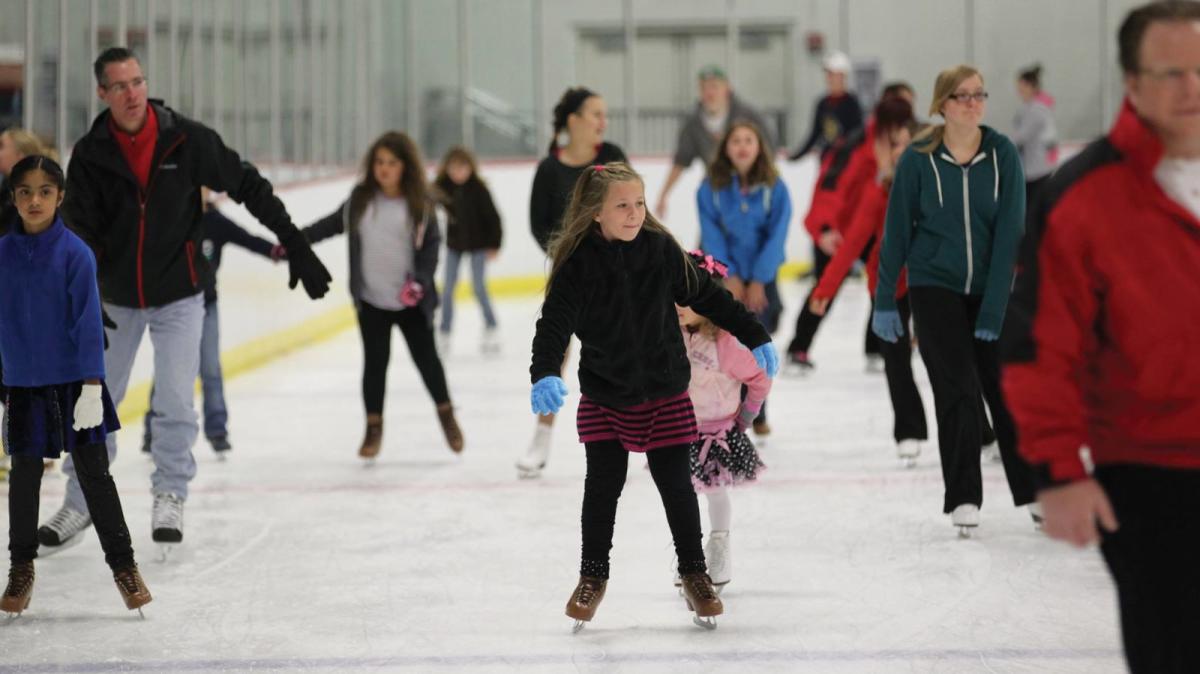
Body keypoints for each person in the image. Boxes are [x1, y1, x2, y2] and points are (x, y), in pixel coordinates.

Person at [38, 47, 332, 558]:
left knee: (174, 398)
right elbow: (78, 232)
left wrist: (297, 245)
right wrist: (81, 294)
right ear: (102, 94)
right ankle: (80, 500)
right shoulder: (90, 154)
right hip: (114, 300)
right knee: (92, 401)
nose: (132, 94)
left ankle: (170, 491)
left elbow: (249, 186)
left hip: (179, 295)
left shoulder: (185, 139)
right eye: (120, 86)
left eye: (138, 81)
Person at [1001, 3, 1200, 671]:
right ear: (1133, 84)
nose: (1192, 88)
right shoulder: (1086, 196)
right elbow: (1038, 348)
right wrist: (1055, 473)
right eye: (1172, 72)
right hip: (1152, 480)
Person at [529, 161, 778, 631]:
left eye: (639, 203)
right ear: (595, 213)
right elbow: (554, 323)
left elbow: (709, 297)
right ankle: (592, 577)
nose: (634, 212)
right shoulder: (578, 264)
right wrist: (544, 371)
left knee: (676, 489)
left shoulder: (660, 250)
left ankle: (694, 574)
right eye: (622, 205)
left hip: (665, 391)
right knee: (602, 489)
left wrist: (755, 334)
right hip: (605, 394)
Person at [872, 65, 1036, 536]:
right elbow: (897, 232)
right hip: (934, 285)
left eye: (979, 94)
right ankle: (964, 495)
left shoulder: (1002, 153)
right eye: (962, 96)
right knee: (958, 389)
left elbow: (1010, 234)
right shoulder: (919, 158)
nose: (972, 102)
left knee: (1007, 391)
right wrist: (886, 299)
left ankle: (1035, 488)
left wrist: (995, 306)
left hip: (990, 288)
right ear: (942, 104)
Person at [0, 155, 151, 616]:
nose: (35, 200)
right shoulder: (2, 254)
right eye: (25, 191)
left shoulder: (75, 254)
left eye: (45, 191)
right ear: (13, 198)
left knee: (95, 477)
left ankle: (124, 566)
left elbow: (88, 324)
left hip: (74, 386)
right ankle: (21, 567)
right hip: (24, 386)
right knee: (24, 479)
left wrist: (92, 384)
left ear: (60, 197)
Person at [302, 131, 464, 461]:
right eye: (379, 162)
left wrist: (420, 282)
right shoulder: (361, 200)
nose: (384, 169)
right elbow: (332, 224)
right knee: (375, 365)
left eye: (392, 162)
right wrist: (295, 242)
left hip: (411, 302)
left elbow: (432, 245)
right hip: (371, 300)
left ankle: (446, 415)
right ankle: (373, 428)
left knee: (427, 362)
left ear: (406, 166)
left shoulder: (419, 204)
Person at [808, 97, 929, 466]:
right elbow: (851, 246)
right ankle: (908, 430)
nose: (899, 152)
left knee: (947, 365)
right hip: (887, 288)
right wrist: (824, 289)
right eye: (894, 145)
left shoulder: (937, 194)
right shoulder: (878, 194)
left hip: (929, 286)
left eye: (907, 145)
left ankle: (981, 431)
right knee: (896, 361)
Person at [518, 87, 628, 479]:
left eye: (604, 114)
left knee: (629, 351)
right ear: (574, 120)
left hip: (618, 271)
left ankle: (646, 435)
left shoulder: (612, 156)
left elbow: (631, 205)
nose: (603, 121)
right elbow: (539, 224)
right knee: (556, 349)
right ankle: (542, 437)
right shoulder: (549, 169)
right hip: (570, 273)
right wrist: (573, 254)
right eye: (596, 114)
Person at [141, 189, 284, 458]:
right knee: (168, 367)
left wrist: (277, 251)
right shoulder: (166, 216)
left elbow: (249, 240)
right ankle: (153, 428)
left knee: (210, 367)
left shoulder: (216, 222)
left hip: (206, 305)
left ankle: (217, 429)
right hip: (171, 306)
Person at [783, 82, 913, 375]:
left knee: (883, 280)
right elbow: (830, 186)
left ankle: (876, 347)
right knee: (826, 284)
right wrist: (825, 227)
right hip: (840, 230)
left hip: (876, 228)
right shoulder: (855, 143)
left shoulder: (906, 147)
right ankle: (798, 348)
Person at [678, 251, 771, 593]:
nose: (678, 304)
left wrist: (747, 415)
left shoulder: (726, 344)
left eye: (688, 298)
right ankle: (688, 556)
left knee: (715, 492)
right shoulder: (672, 335)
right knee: (682, 494)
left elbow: (760, 380)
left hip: (715, 433)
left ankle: (718, 549)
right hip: (679, 431)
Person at [696, 120, 791, 437]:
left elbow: (777, 235)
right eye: (735, 140)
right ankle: (724, 414)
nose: (742, 146)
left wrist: (759, 279)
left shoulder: (775, 187)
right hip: (725, 279)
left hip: (762, 279)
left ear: (759, 147)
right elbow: (711, 234)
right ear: (725, 148)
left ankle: (759, 412)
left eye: (749, 140)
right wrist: (730, 276)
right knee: (725, 346)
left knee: (758, 342)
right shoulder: (710, 187)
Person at [655, 65, 776, 218]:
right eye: (704, 88)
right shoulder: (693, 124)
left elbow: (770, 152)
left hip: (752, 191)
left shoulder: (749, 116)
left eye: (714, 87)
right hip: (716, 190)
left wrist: (764, 183)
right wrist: (664, 195)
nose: (709, 93)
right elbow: (681, 160)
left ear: (727, 89)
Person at [433, 146, 502, 356]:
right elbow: (425, 200)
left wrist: (495, 244)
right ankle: (444, 331)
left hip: (479, 245)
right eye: (453, 169)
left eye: (462, 168)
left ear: (470, 168)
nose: (458, 173)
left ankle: (491, 327)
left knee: (479, 287)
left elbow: (494, 218)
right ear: (447, 169)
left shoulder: (479, 190)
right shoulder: (442, 188)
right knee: (447, 290)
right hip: (455, 245)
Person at [789, 51, 864, 160]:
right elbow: (814, 134)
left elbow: (858, 132)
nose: (829, 78)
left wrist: (844, 144)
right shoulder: (823, 104)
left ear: (843, 76)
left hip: (847, 160)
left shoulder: (851, 103)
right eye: (828, 74)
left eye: (833, 75)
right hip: (828, 159)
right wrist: (796, 156)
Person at [1012, 64, 1059, 203]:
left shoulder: (1037, 110)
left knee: (1033, 207)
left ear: (1031, 87)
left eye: (1022, 86)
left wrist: (998, 143)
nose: (1019, 89)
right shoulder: (1028, 107)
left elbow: (1021, 136)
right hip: (1032, 167)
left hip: (1038, 169)